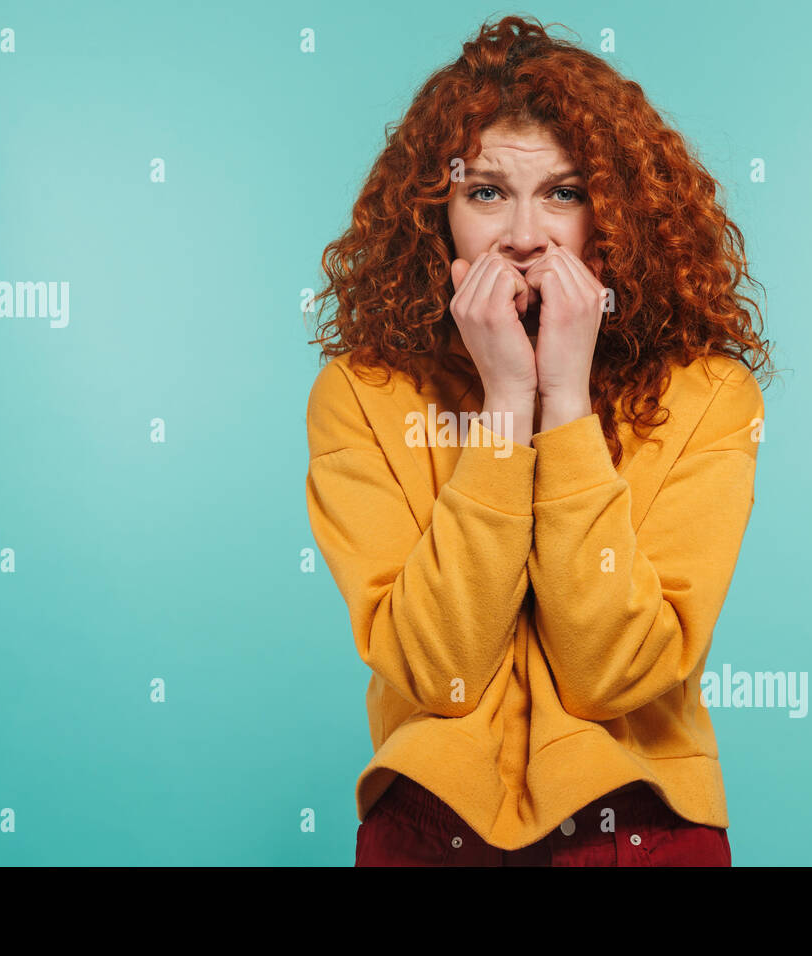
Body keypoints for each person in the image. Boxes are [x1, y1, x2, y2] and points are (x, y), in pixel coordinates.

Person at [305, 15, 777, 866]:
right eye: (486, 193)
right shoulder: (363, 397)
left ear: (615, 213)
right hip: (429, 832)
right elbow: (439, 668)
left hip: (643, 829)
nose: (525, 235)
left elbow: (613, 674)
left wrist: (562, 401)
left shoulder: (708, 395)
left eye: (564, 193)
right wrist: (505, 403)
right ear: (436, 214)